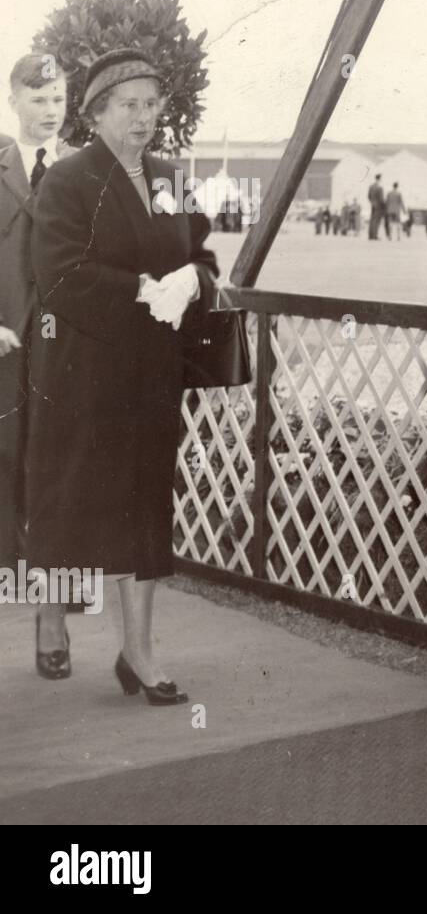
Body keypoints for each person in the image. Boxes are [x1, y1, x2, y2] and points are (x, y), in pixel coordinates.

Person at [25, 48, 219, 705]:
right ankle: (53, 616)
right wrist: (140, 289)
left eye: (152, 104)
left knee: (146, 509)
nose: (144, 116)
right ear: (98, 111)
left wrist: (196, 276)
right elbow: (57, 275)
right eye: (129, 104)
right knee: (78, 506)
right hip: (86, 377)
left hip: (152, 377)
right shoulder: (69, 180)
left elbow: (203, 252)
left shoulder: (170, 175)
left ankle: (138, 651)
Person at [1, 54, 74, 676]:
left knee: (54, 480)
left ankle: (52, 624)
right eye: (39, 98)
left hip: (62, 355)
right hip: (1, 351)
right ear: (14, 100)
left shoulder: (82, 170)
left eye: (58, 98)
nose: (51, 110)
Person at [367, 172, 385, 239]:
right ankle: (375, 236)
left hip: (372, 205)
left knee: (372, 220)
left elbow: (368, 196)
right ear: (379, 179)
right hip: (378, 206)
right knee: (376, 221)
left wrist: (372, 202)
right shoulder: (380, 188)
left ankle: (370, 235)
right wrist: (384, 207)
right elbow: (381, 199)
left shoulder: (371, 186)